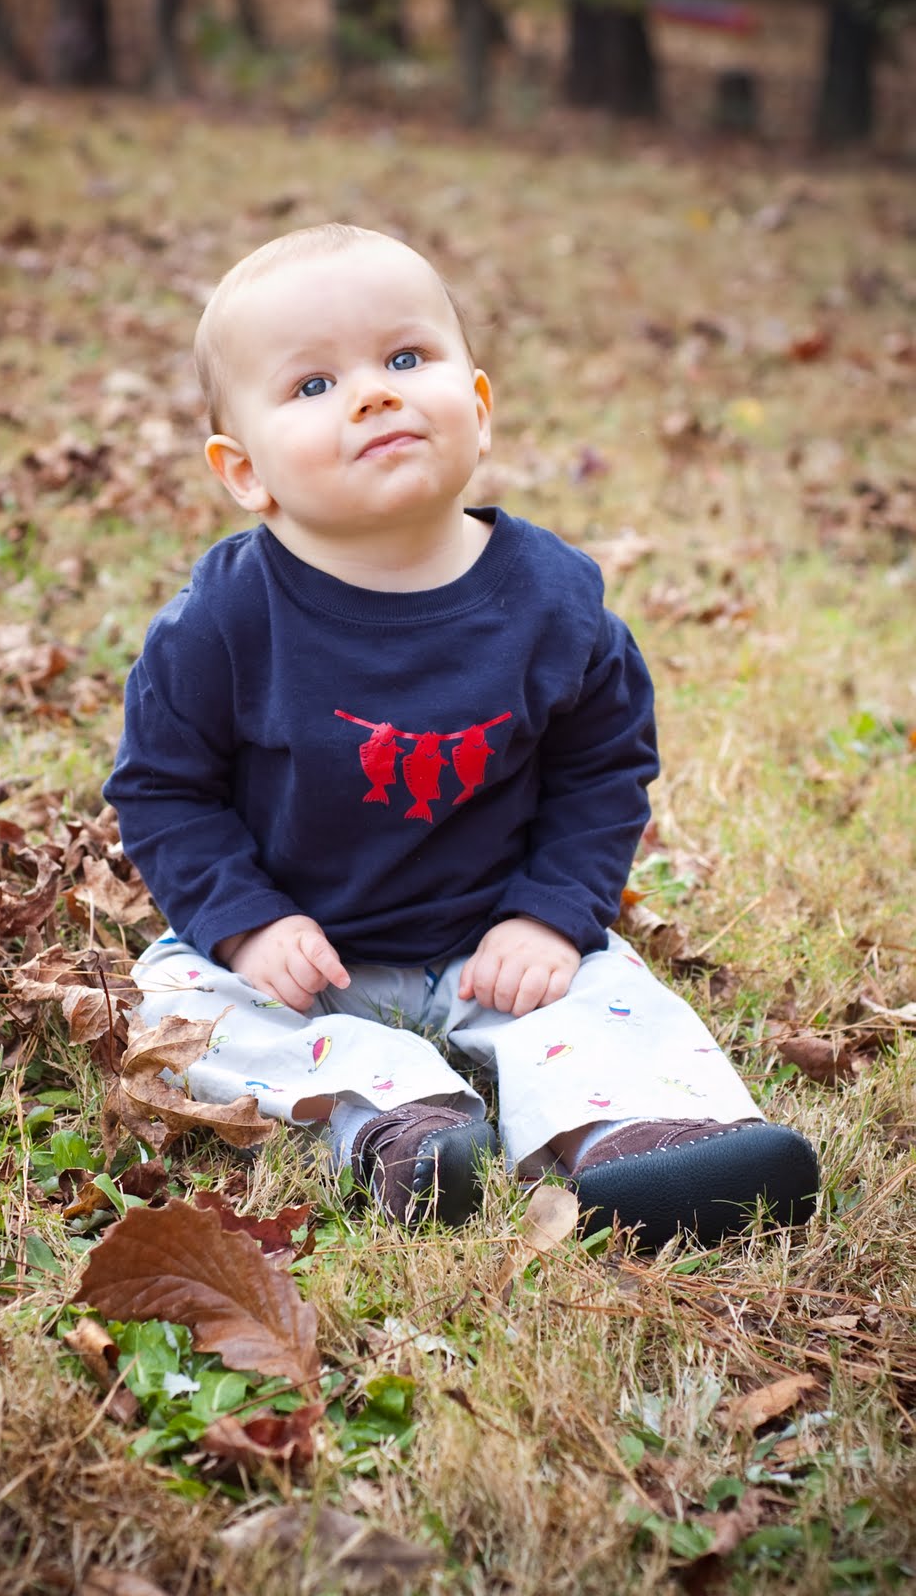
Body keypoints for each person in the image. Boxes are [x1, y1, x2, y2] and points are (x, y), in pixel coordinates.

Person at [104, 223, 818, 1247]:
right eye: (312, 385)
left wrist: (545, 915)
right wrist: (247, 923)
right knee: (175, 1005)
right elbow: (164, 788)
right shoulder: (224, 622)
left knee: (604, 991)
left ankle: (642, 1138)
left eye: (404, 359)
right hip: (300, 950)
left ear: (476, 411)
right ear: (245, 472)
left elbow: (599, 770)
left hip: (487, 940)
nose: (372, 393)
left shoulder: (549, 602)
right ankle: (395, 1122)